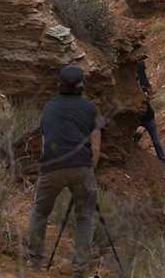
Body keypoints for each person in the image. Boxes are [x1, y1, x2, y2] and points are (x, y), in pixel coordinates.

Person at [28, 65, 103, 273]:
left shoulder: (49, 107)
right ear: (81, 86)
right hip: (81, 165)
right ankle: (80, 268)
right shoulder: (90, 108)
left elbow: (45, 143)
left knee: (40, 212)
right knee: (85, 216)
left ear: (59, 85)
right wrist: (89, 171)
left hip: (52, 165)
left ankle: (35, 261)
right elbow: (96, 145)